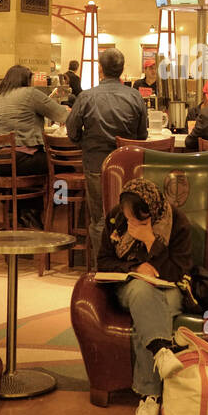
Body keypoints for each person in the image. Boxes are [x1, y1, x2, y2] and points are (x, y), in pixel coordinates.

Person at [96, 178, 196, 415]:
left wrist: (151, 241)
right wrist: (134, 268)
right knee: (142, 290)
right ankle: (163, 351)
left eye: (140, 220)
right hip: (129, 287)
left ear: (153, 212)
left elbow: (177, 272)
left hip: (168, 287)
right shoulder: (115, 219)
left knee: (150, 308)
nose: (131, 224)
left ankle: (149, 398)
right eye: (128, 218)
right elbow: (103, 261)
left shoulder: (178, 223)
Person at [66, 48, 148, 261]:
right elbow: (142, 136)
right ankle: (129, 260)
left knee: (99, 218)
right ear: (121, 70)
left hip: (96, 164)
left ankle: (100, 266)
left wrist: (85, 143)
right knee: (132, 215)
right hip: (129, 167)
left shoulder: (86, 97)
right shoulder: (135, 96)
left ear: (100, 69)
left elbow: (72, 131)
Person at [0, 64, 70, 178]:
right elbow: (61, 115)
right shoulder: (30, 93)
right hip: (21, 159)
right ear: (27, 80)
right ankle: (55, 196)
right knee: (64, 164)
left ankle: (22, 194)